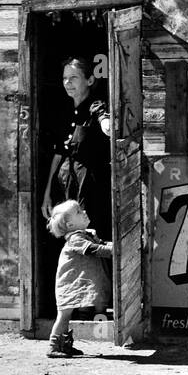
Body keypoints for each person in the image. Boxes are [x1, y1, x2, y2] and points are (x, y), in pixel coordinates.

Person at [43, 56, 112, 241]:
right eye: (65, 78)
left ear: (89, 80)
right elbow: (58, 154)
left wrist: (107, 124)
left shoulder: (95, 105)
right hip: (64, 184)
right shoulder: (63, 112)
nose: (67, 82)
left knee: (90, 234)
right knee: (65, 234)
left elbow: (102, 115)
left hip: (89, 186)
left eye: (73, 77)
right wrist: (47, 192)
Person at [46, 200, 112, 359]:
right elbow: (94, 249)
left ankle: (65, 345)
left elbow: (102, 244)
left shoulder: (85, 235)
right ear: (69, 225)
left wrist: (112, 245)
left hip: (73, 284)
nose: (84, 212)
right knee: (63, 315)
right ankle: (53, 346)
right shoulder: (75, 238)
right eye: (78, 212)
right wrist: (115, 249)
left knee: (65, 315)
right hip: (68, 286)